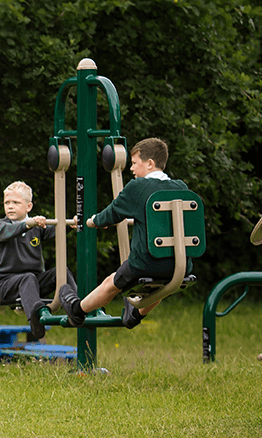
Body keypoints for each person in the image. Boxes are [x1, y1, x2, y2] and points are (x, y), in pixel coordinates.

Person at [59, 137, 191, 328]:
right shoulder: (181, 188)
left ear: (150, 164)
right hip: (181, 264)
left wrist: (91, 221)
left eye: (134, 163)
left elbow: (111, 214)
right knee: (162, 287)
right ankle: (135, 315)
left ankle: (78, 310)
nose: (131, 168)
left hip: (146, 262)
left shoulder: (138, 187)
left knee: (112, 283)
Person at [0, 181, 76, 341]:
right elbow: (5, 233)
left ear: (28, 207)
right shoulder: (1, 225)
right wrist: (28, 224)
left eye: (15, 203)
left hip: (34, 284)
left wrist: (70, 224)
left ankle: (76, 306)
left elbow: (55, 230)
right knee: (28, 277)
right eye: (7, 203)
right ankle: (36, 320)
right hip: (9, 284)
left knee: (61, 271)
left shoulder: (35, 227)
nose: (10, 206)